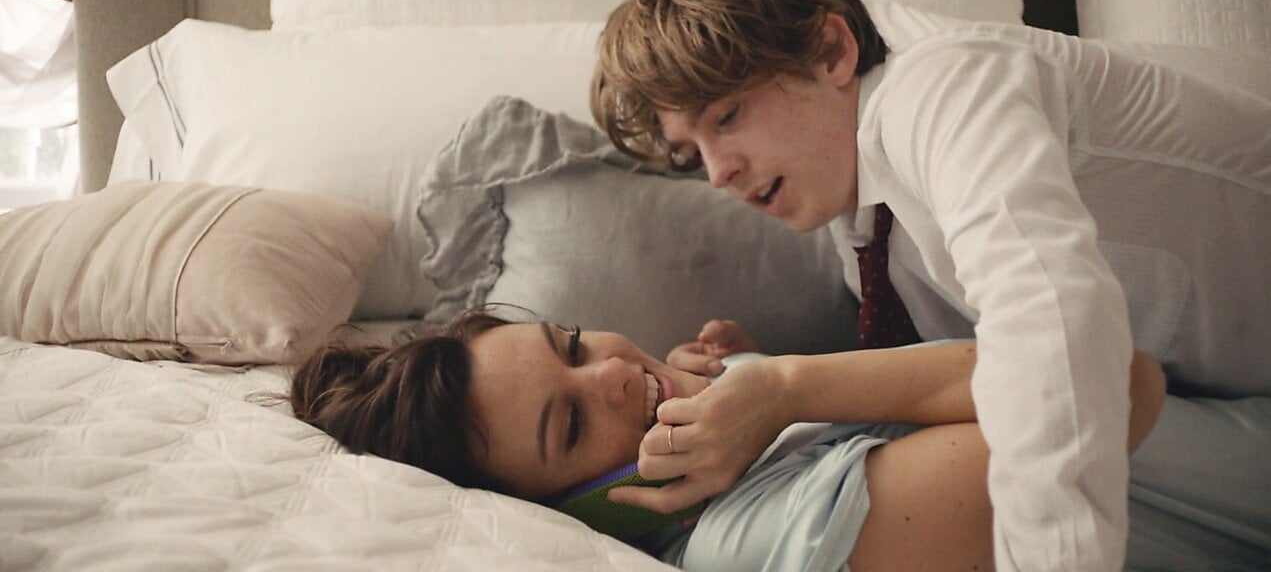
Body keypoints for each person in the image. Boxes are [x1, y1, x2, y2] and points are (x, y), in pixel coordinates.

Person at [589, 0, 1271, 571]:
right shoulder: (862, 226)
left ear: (831, 51)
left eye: (728, 116)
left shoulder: (944, 90)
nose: (717, 173)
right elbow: (953, 383)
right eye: (693, 151)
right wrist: (751, 379)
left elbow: (1049, 324)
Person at [289, 308, 1166, 571]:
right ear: (575, 512)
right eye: (572, 423)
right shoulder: (758, 540)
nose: (613, 372)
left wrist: (763, 386)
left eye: (573, 345)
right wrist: (786, 387)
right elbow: (1110, 386)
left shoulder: (741, 437)